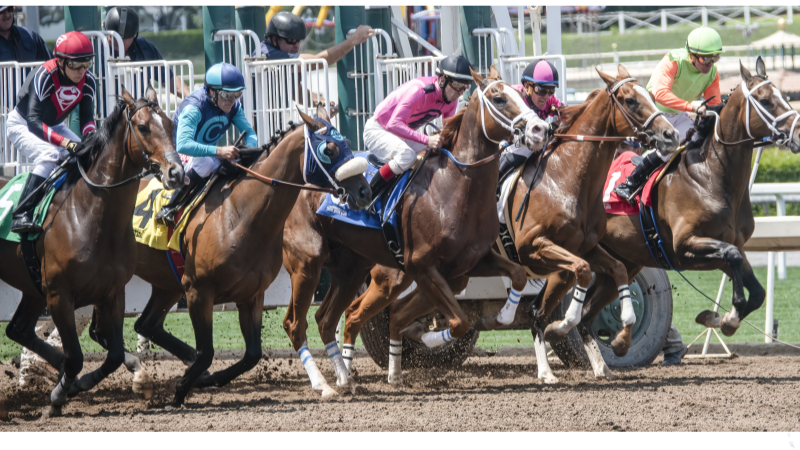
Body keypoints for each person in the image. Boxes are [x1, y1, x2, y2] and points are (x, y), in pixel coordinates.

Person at [7, 31, 97, 387]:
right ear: (60, 62)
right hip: (23, 124)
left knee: (86, 152)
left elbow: (87, 121)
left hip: (53, 125)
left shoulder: (86, 80)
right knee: (51, 154)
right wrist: (65, 144)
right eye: (77, 65)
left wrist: (87, 141)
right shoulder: (44, 75)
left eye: (87, 63)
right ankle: (25, 210)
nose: (82, 70)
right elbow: (33, 121)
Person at [613, 26, 722, 205]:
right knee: (675, 141)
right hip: (652, 113)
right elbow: (661, 94)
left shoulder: (712, 73)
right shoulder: (673, 61)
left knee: (701, 140)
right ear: (691, 55)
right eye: (705, 58)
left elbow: (714, 105)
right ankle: (631, 183)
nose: (710, 63)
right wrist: (691, 107)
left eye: (715, 57)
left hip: (678, 114)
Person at [154, 62, 257, 225]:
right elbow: (183, 145)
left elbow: (250, 134)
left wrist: (249, 151)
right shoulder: (195, 108)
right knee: (206, 163)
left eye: (237, 94)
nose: (233, 100)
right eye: (227, 95)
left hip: (205, 152)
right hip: (179, 155)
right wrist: (219, 151)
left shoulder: (234, 107)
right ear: (212, 91)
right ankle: (171, 205)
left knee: (239, 164)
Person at [363, 55, 471, 197]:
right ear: (443, 80)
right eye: (457, 85)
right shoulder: (419, 91)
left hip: (399, 134)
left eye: (465, 87)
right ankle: (369, 194)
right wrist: (427, 140)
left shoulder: (451, 100)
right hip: (378, 129)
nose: (461, 92)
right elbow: (393, 123)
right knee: (407, 156)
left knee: (440, 152)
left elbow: (447, 131)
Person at [102, 6, 190, 98]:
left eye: (126, 38)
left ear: (134, 35)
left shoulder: (144, 48)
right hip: (106, 110)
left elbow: (170, 80)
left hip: (140, 109)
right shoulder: (98, 49)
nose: (121, 42)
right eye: (116, 37)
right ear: (107, 32)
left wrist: (193, 99)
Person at [498, 59, 562, 181]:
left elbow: (566, 114)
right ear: (527, 86)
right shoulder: (514, 97)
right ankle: (496, 184)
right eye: (542, 90)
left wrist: (557, 123)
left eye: (551, 90)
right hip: (505, 144)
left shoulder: (550, 100)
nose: (547, 97)